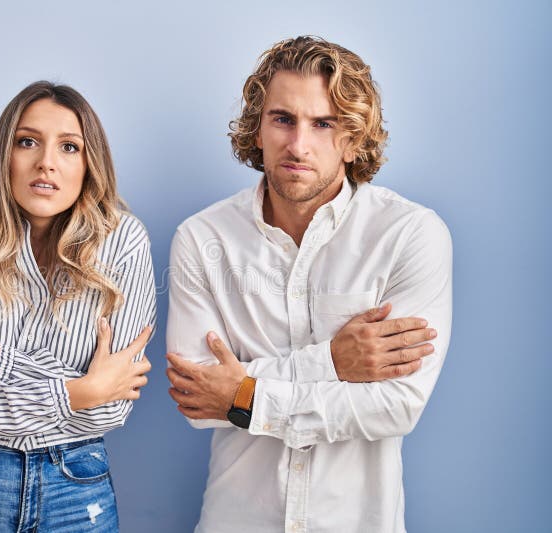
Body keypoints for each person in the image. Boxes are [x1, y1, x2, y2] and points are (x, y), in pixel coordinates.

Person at [165, 36, 452, 532]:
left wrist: (245, 396)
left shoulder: (409, 234)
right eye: (282, 119)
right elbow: (200, 402)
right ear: (257, 129)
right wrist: (332, 362)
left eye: (324, 123)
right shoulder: (202, 237)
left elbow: (397, 407)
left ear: (354, 138)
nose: (299, 144)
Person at [0, 81, 156, 532]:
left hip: (76, 484)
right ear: (5, 154)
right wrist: (79, 391)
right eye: (27, 142)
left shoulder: (123, 242)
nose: (46, 162)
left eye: (69, 147)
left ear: (89, 162)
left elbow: (111, 410)